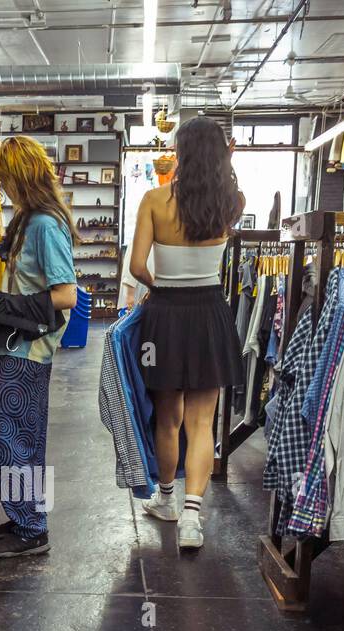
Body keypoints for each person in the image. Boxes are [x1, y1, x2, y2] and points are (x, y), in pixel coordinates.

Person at [129, 116, 245, 549]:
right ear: (220, 156)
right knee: (202, 422)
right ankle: (193, 520)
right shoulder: (231, 202)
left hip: (166, 317)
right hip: (210, 313)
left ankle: (167, 499)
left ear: (181, 153)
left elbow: (138, 267)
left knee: (168, 416)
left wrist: (163, 287)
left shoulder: (155, 200)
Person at [0, 131, 78, 559]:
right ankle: (25, 516)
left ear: (21, 180)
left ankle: (32, 527)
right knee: (18, 436)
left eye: (5, 180)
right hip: (13, 345)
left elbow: (66, 295)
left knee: (8, 436)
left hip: (27, 351)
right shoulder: (30, 216)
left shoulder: (45, 226)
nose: (1, 187)